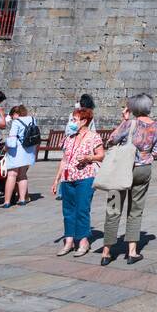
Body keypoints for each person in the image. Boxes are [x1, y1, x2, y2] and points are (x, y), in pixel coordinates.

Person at [99, 93, 157, 266]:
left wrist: (124, 120)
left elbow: (111, 141)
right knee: (135, 210)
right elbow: (156, 151)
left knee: (113, 208)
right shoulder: (156, 126)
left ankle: (106, 252)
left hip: (122, 169)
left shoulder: (128, 124)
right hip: (143, 169)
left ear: (132, 108)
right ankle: (132, 252)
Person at [53, 107, 101, 256]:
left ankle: (83, 241)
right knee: (68, 210)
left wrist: (89, 158)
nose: (71, 122)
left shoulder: (93, 137)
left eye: (74, 119)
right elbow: (64, 159)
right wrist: (57, 179)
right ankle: (69, 241)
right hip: (68, 178)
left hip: (85, 177)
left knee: (82, 209)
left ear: (84, 121)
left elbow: (101, 155)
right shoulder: (69, 137)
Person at [57, 94, 95, 200]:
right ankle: (63, 191)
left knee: (68, 166)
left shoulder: (76, 114)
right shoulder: (86, 115)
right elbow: (93, 130)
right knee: (71, 166)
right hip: (76, 143)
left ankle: (64, 191)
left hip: (74, 143)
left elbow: (68, 129)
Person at [2, 104, 37, 208]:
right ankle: (22, 199)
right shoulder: (33, 119)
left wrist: (5, 147)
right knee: (22, 175)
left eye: (12, 115)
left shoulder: (16, 122)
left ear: (16, 114)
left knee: (12, 175)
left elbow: (12, 141)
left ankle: (7, 201)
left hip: (16, 152)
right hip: (29, 151)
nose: (12, 118)